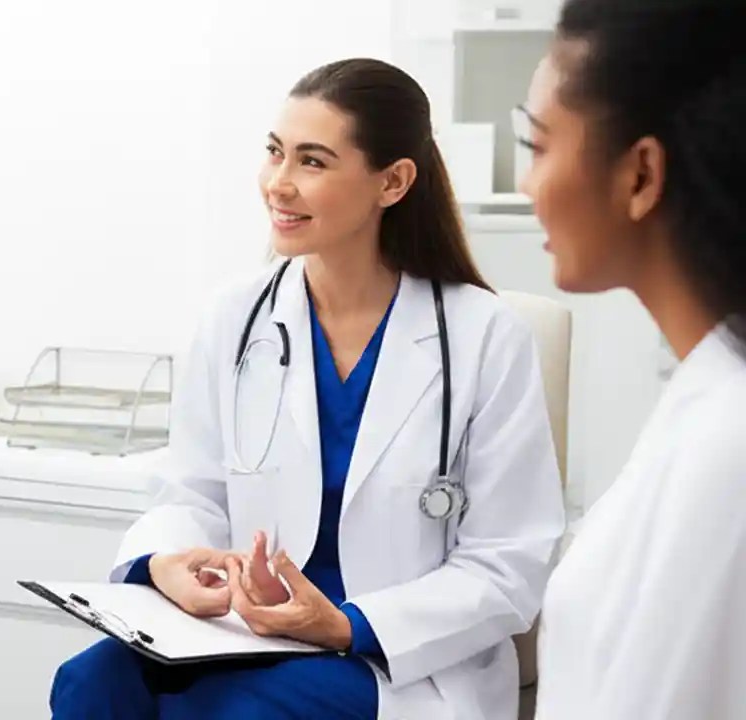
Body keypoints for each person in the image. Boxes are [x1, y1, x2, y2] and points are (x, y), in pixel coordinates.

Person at [50, 58, 565, 720]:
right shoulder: (236, 316)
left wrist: (346, 625)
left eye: (312, 162)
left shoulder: (486, 337)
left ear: (393, 181)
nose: (278, 184)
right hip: (242, 636)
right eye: (274, 153)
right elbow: (192, 492)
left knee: (232, 714)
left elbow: (508, 566)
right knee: (90, 682)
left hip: (392, 660)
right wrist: (166, 562)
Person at [516, 1, 746, 717]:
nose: (527, 186)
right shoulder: (706, 400)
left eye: (538, 147)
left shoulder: (726, 451)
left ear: (641, 174)